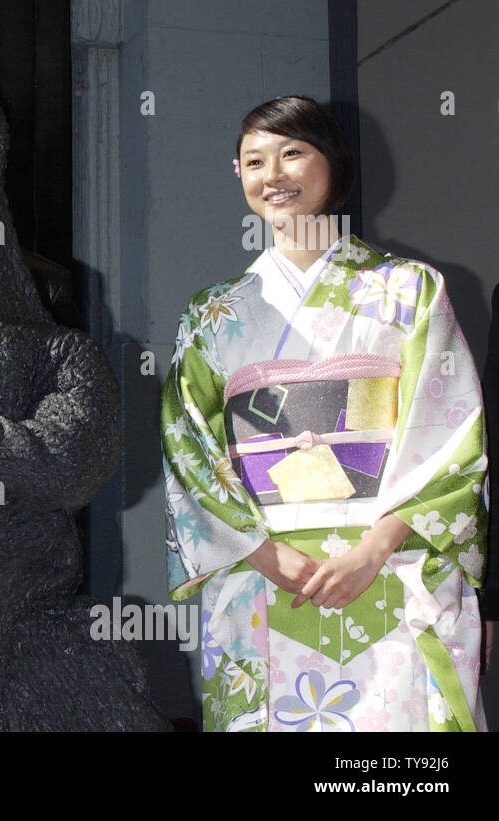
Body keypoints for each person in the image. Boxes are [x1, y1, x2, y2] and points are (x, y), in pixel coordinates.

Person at [160, 96, 486, 731]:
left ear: (333, 163)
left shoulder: (410, 289)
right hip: (262, 571)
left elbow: (451, 432)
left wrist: (372, 550)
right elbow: (187, 446)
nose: (272, 174)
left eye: (292, 153)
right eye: (253, 161)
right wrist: (258, 553)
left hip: (392, 562)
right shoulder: (213, 314)